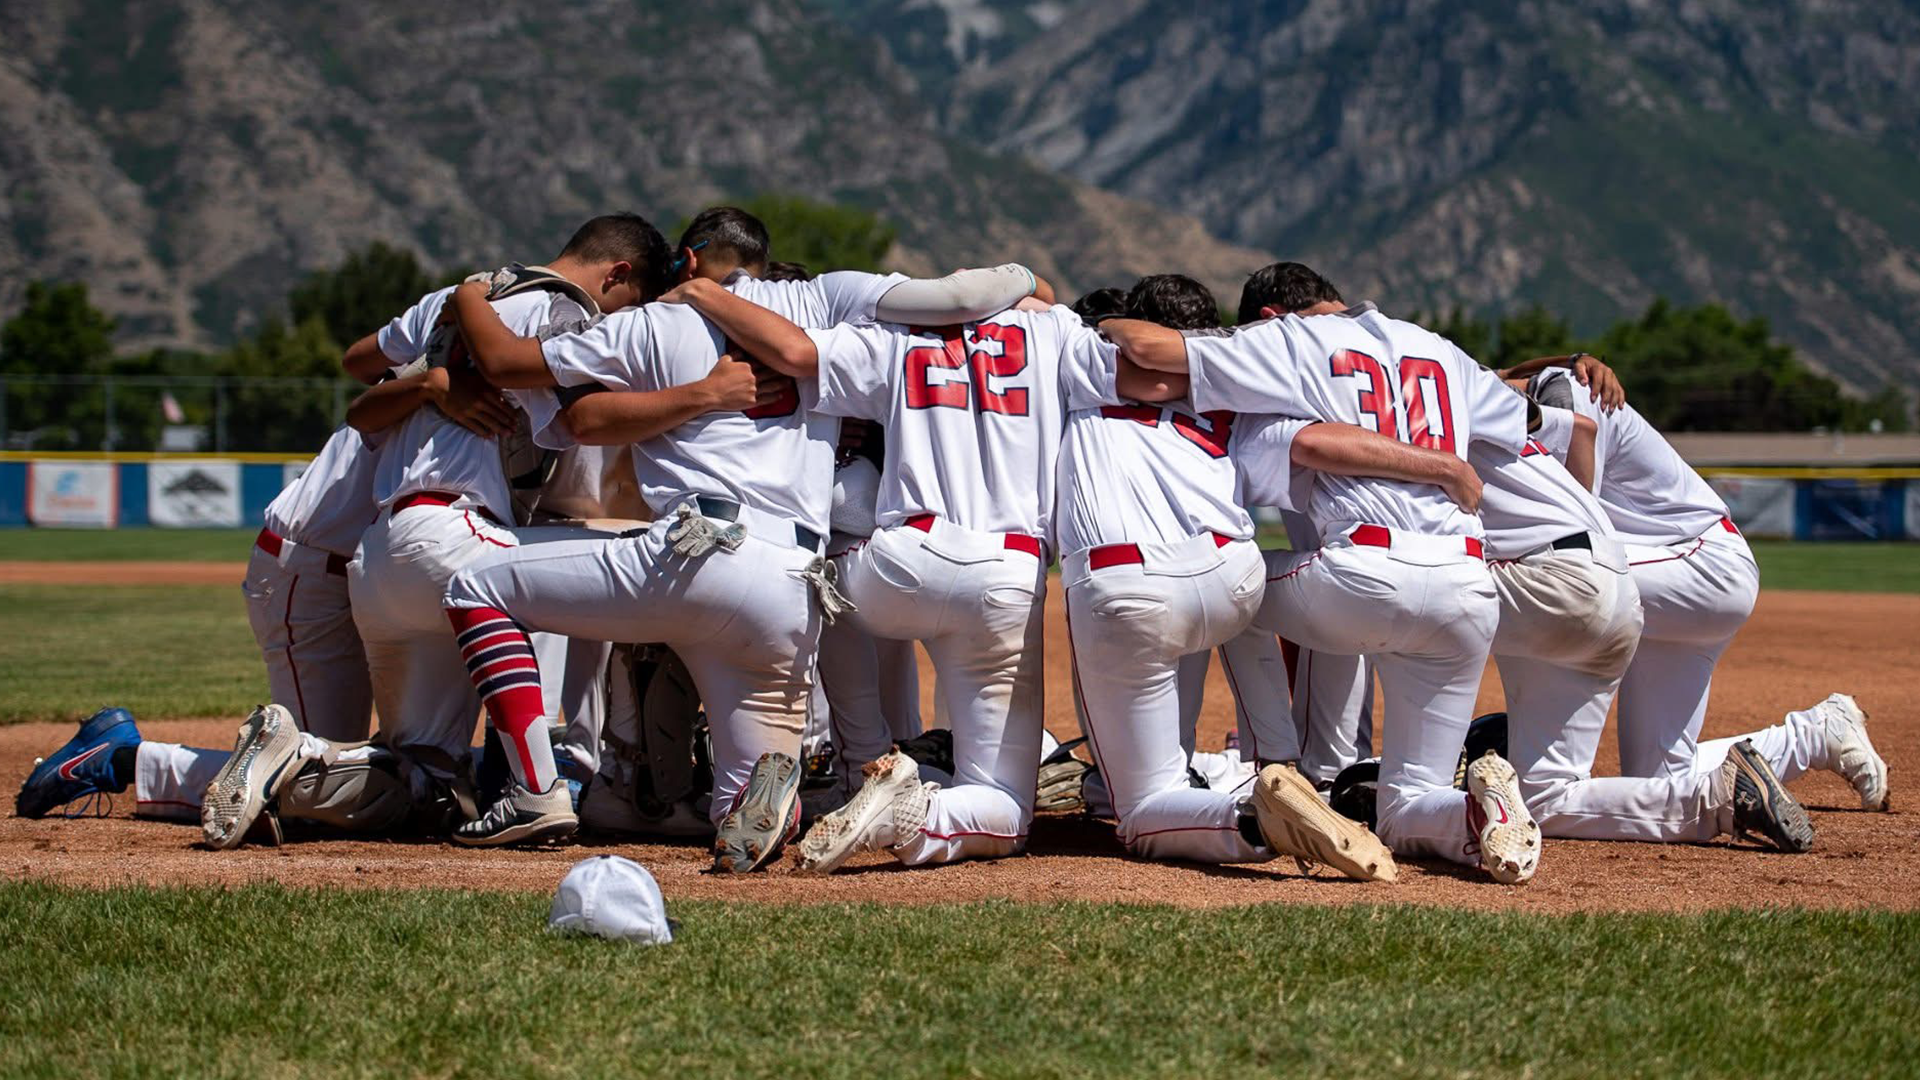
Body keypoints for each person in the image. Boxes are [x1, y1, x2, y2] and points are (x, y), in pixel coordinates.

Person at [663, 273, 1173, 874]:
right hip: (1011, 572)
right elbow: (1155, 377)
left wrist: (705, 293)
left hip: (902, 562)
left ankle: (866, 764)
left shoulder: (897, 332)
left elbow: (795, 352)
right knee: (1007, 808)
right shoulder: (1052, 331)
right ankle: (915, 809)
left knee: (813, 576)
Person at [1105, 262, 1546, 883]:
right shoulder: (1437, 346)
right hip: (1467, 586)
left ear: (1265, 318)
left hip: (1362, 569)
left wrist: (1091, 323)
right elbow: (1525, 419)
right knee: (1408, 804)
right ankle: (1479, 806)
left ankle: (1278, 766)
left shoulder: (1287, 339)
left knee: (1230, 584)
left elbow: (1150, 350)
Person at [1525, 365, 1888, 811]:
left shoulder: (1562, 394)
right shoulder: (1525, 398)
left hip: (1702, 563)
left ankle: (1528, 771)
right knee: (1660, 781)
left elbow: (1570, 527)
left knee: (1558, 577)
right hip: (1676, 579)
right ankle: (1814, 734)